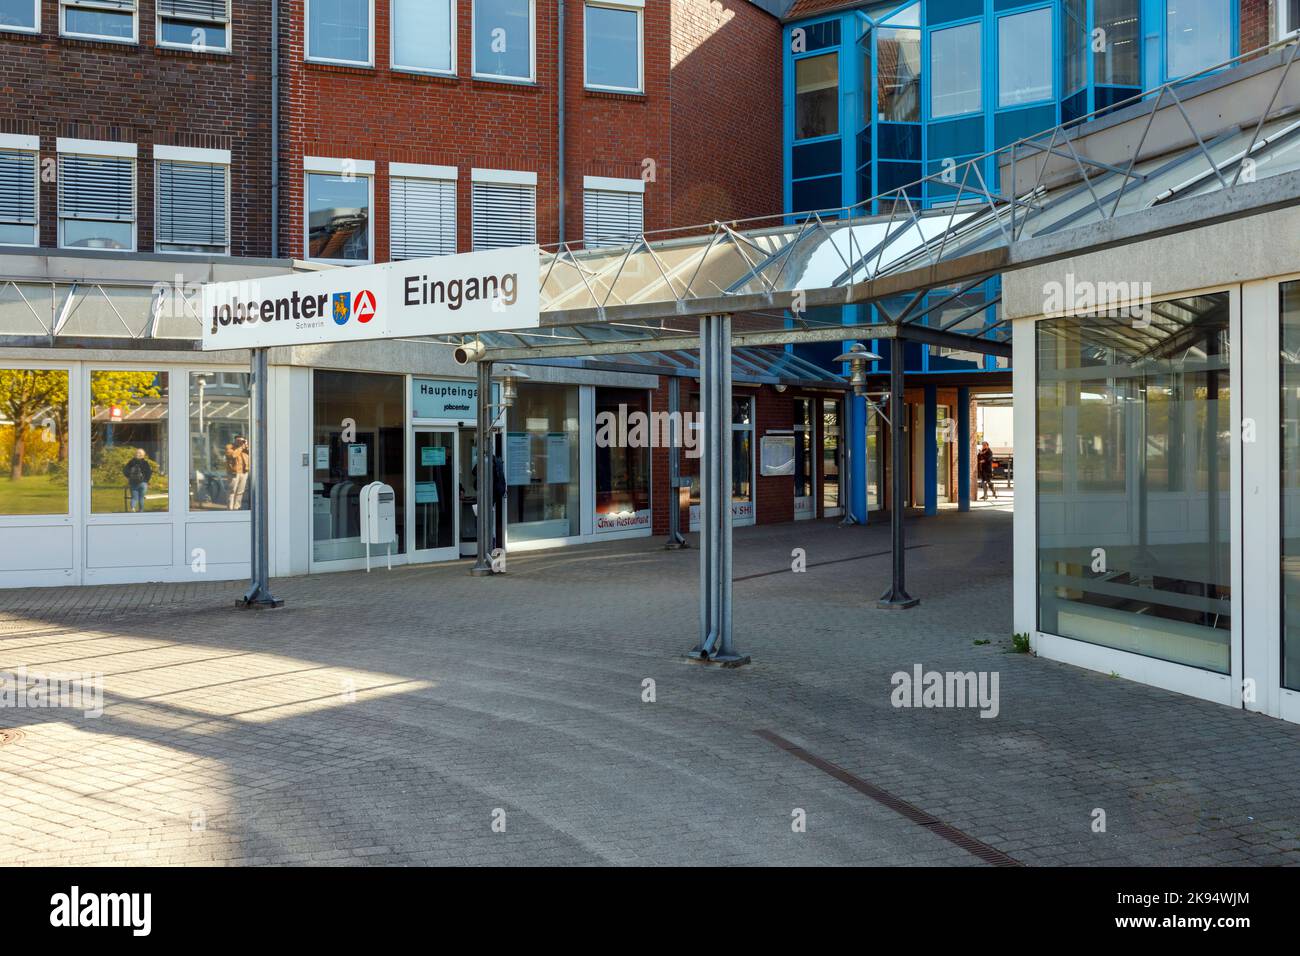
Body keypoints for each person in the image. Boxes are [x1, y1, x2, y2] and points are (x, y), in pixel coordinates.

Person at [122, 448, 152, 512]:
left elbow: (125, 470)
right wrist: (146, 481)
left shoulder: (131, 462)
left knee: (134, 498)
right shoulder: (145, 463)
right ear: (143, 455)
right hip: (143, 483)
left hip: (133, 483)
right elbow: (149, 473)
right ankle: (141, 511)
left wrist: (129, 476)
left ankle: (133, 508)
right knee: (141, 498)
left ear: (135, 454)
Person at [225, 435, 250, 510]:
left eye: (242, 441)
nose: (240, 442)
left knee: (240, 492)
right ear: (235, 440)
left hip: (244, 472)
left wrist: (247, 446)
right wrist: (241, 447)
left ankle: (237, 507)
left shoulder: (245, 448)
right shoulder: (229, 447)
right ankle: (230, 509)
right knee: (232, 491)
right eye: (238, 440)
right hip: (234, 473)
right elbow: (233, 455)